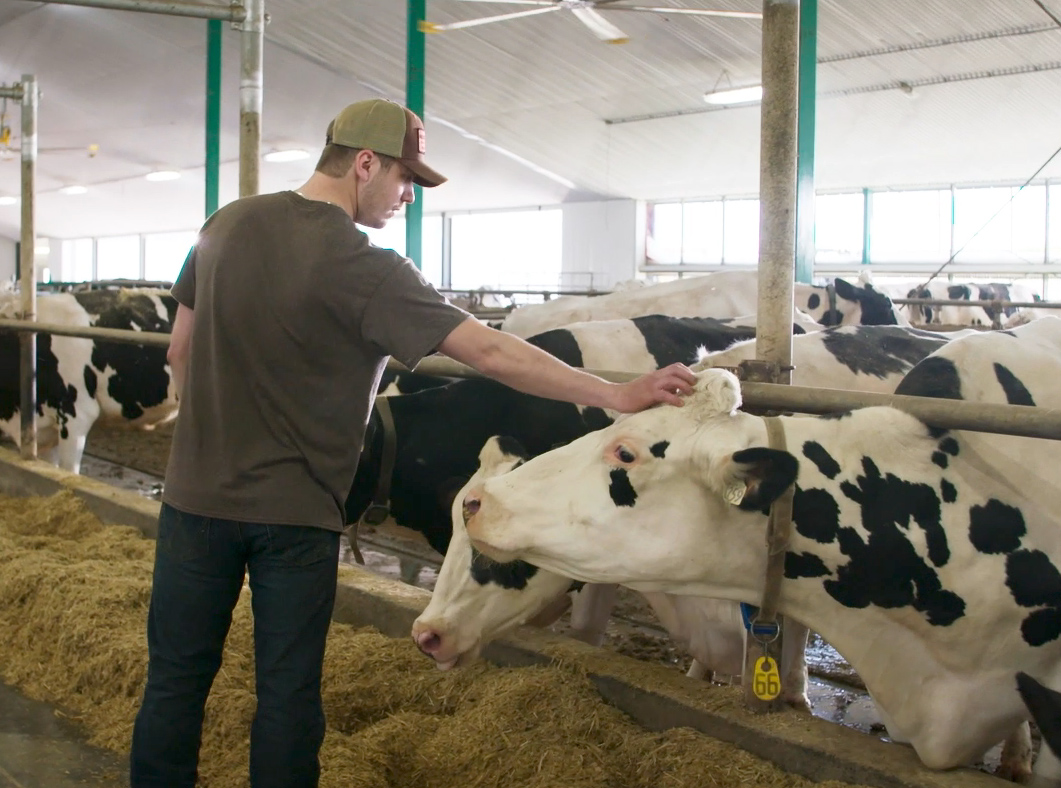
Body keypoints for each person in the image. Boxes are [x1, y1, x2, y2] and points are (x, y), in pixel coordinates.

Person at [127, 98, 696, 788]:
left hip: (193, 503)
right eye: (403, 179)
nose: (406, 197)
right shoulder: (369, 267)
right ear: (364, 164)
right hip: (297, 516)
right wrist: (613, 395)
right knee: (286, 695)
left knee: (175, 681)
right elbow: (489, 351)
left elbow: (181, 351)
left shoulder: (225, 225)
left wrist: (210, 437)